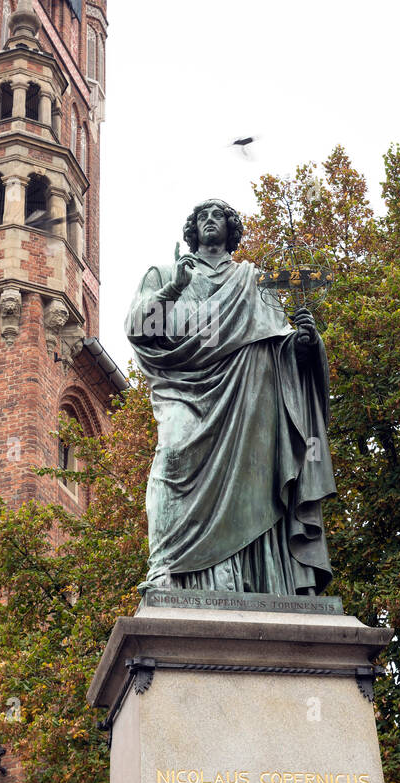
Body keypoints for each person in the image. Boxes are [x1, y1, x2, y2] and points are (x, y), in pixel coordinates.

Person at [126, 198, 336, 595]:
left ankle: (258, 580)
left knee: (256, 482)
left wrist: (305, 346)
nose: (209, 221)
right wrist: (173, 290)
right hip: (184, 387)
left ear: (230, 228)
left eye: (217, 215)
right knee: (171, 460)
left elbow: (278, 344)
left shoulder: (252, 281)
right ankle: (166, 566)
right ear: (192, 229)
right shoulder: (166, 273)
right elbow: (138, 327)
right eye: (201, 216)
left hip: (251, 391)